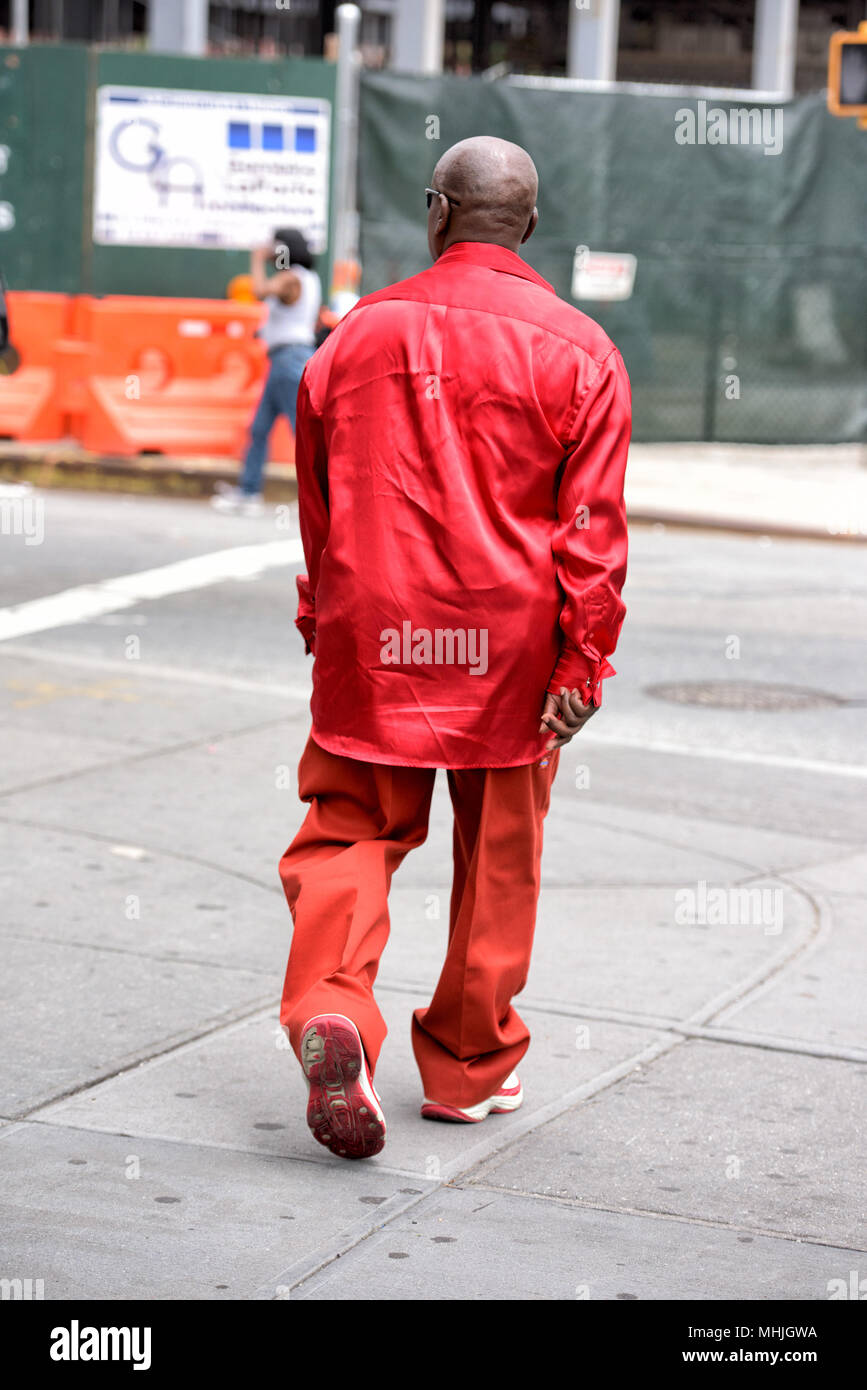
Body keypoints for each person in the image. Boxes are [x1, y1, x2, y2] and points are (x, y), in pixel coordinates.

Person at [279, 136, 631, 1160]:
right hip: (511, 650)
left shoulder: (352, 338)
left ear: (436, 212)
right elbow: (592, 534)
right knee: (500, 857)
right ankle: (470, 1068)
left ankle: (333, 1003)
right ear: (529, 224)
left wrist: (322, 615)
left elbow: (320, 505)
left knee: (348, 827)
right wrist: (584, 663)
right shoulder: (581, 350)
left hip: (373, 637)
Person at [212, 228, 321, 517]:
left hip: (289, 361)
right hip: (285, 360)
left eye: (276, 247)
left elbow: (258, 290)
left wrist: (258, 259)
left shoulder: (292, 276)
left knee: (302, 433)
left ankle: (322, 497)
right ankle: (248, 492)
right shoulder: (307, 279)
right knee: (260, 428)